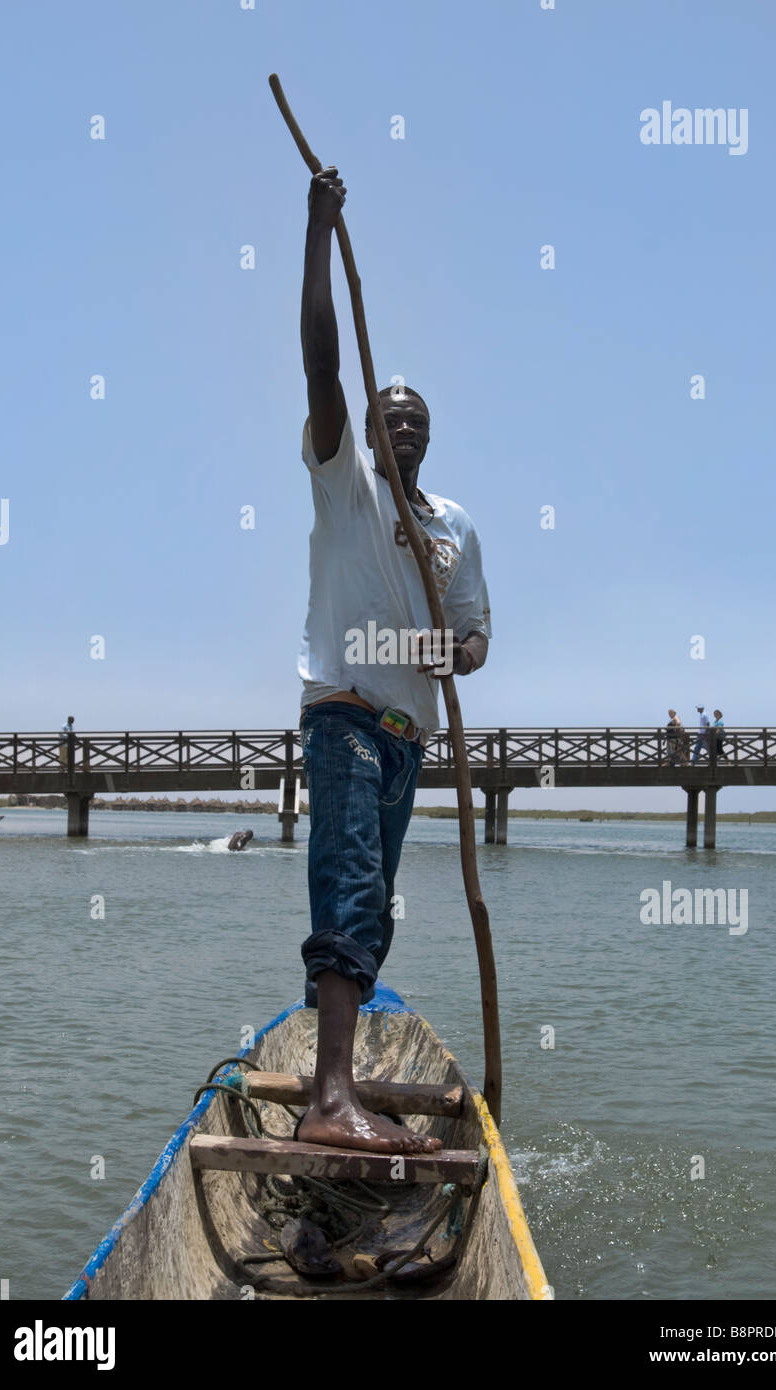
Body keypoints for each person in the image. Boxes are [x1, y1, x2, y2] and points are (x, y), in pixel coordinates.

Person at [296, 166, 491, 1154]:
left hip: (410, 735)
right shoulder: (346, 485)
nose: (402, 422)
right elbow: (324, 364)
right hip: (346, 712)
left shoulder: (450, 526)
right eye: (390, 414)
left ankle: (342, 1087)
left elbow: (475, 637)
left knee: (371, 909)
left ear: (429, 436)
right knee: (352, 886)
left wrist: (455, 647)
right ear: (368, 434)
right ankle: (331, 1102)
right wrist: (318, 233)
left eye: (416, 416)